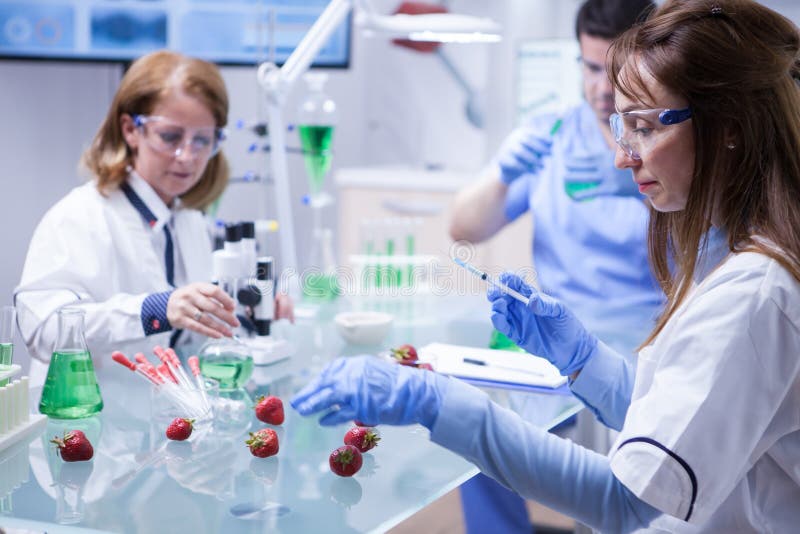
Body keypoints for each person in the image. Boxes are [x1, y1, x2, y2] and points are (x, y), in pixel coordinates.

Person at [291, 0, 800, 531]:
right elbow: (671, 424)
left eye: (645, 127)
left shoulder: (752, 295)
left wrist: (436, 403)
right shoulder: (726, 256)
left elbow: (626, 500)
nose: (623, 156)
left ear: (730, 127)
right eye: (623, 127)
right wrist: (582, 359)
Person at [451, 0, 658, 531]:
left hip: (644, 351)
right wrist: (500, 172)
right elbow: (465, 228)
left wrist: (639, 187)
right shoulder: (551, 135)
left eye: (615, 72)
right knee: (473, 421)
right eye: (590, 68)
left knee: (622, 481)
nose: (602, 90)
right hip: (552, 346)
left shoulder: (671, 142)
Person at [14, 50, 293, 383]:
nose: (187, 156)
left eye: (202, 140)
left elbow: (187, 335)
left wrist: (248, 313)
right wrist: (155, 310)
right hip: (87, 422)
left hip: (164, 418)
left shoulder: (188, 220)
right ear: (131, 129)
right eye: (170, 137)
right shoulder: (78, 218)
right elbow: (43, 330)